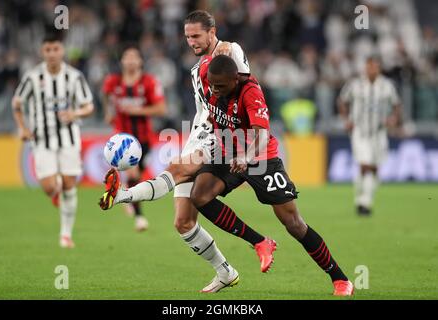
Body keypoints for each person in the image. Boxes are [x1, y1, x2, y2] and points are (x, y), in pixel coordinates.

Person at [99, 10, 276, 293]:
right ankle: (225, 272)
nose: (191, 41)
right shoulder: (196, 69)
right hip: (196, 136)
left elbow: (245, 82)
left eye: (196, 36)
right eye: (187, 37)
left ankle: (122, 196)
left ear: (212, 32)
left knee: (177, 170)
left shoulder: (231, 51)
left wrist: (231, 53)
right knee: (183, 222)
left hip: (219, 137)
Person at [189, 55, 354, 296]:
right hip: (228, 152)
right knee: (200, 195)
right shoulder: (209, 78)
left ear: (235, 79)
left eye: (220, 86)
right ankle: (260, 242)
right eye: (212, 85)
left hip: (260, 158)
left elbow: (262, 135)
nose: (214, 90)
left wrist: (246, 158)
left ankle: (340, 279)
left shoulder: (250, 92)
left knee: (293, 223)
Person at [11, 32, 94, 248]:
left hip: (68, 139)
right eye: (47, 50)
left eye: (55, 49)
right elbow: (17, 104)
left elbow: (89, 106)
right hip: (41, 140)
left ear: (62, 50)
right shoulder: (32, 77)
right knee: (50, 187)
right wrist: (22, 128)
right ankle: (54, 191)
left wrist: (74, 114)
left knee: (69, 185)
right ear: (42, 52)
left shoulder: (74, 77)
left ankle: (65, 235)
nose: (52, 54)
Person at [102, 44, 167, 231]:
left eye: (134, 57)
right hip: (123, 138)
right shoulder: (113, 81)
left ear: (140, 61)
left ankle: (125, 196)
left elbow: (162, 109)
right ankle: (139, 218)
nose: (130, 60)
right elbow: (105, 95)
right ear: (122, 61)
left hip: (144, 138)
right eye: (127, 57)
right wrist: (108, 112)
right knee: (133, 173)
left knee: (137, 176)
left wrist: (138, 110)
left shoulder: (149, 82)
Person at [338, 56, 402, 215]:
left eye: (375, 67)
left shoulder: (387, 86)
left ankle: (363, 196)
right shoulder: (355, 84)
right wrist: (346, 120)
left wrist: (394, 118)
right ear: (365, 67)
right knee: (365, 164)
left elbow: (396, 105)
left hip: (379, 132)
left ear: (379, 68)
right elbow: (342, 101)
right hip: (360, 131)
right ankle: (364, 202)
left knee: (374, 167)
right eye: (369, 66)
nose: (372, 69)